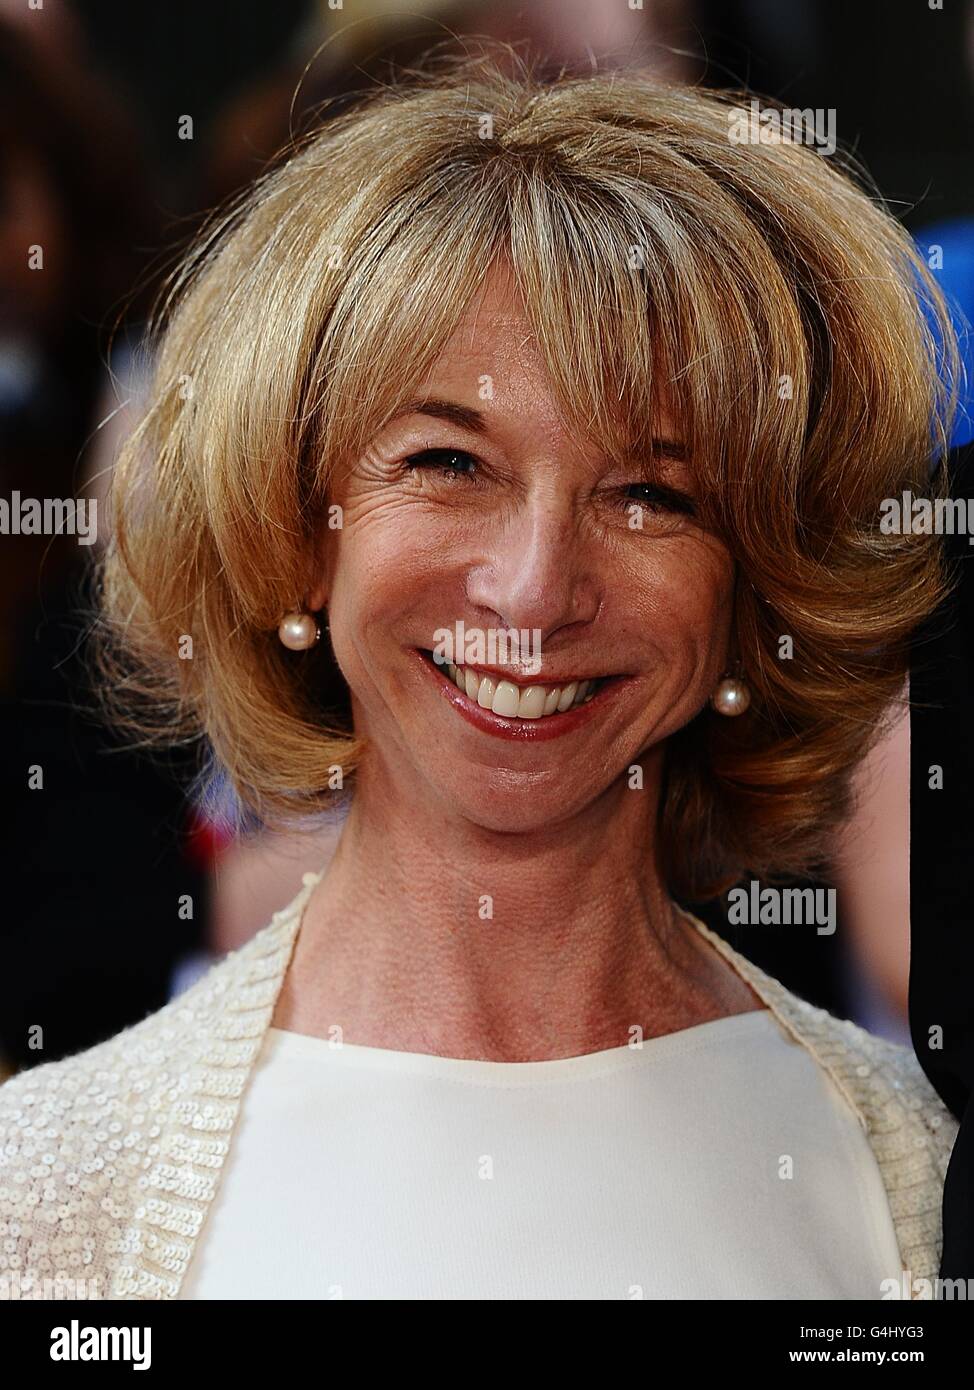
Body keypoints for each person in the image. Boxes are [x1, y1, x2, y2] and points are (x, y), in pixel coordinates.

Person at [0, 50, 961, 1301]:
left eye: (649, 494)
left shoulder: (911, 1176)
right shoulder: (50, 1193)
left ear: (755, 592)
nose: (532, 585)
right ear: (295, 530)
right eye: (450, 462)